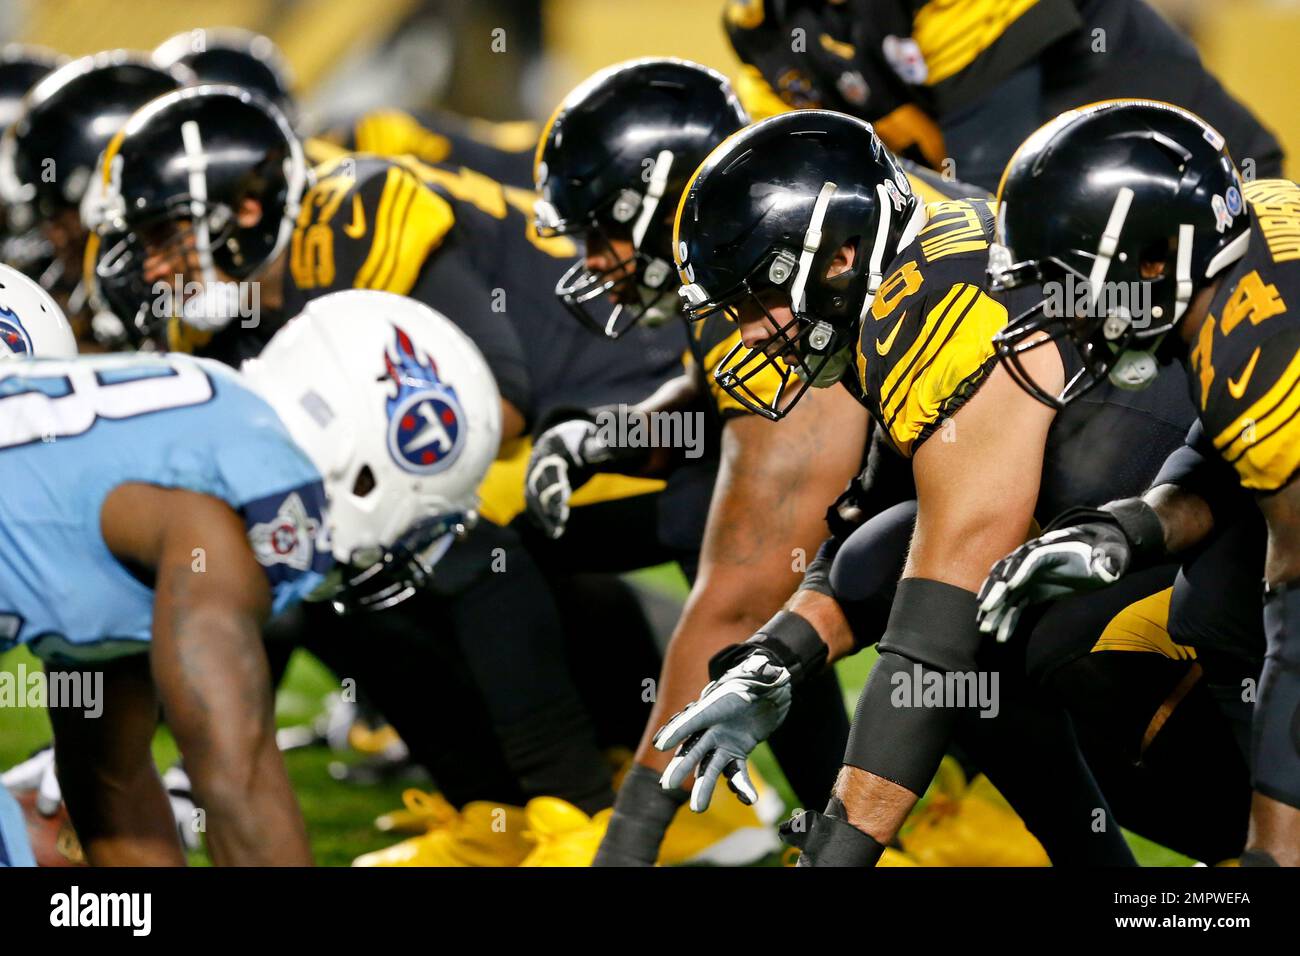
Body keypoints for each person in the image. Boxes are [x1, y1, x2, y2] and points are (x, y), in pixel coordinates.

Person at [657, 108, 1234, 866]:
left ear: (838, 254)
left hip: (1242, 522)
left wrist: (835, 850)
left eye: (752, 302)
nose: (749, 334)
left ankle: (1242, 852)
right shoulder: (891, 282)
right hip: (1159, 511)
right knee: (967, 616)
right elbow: (874, 540)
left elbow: (931, 640)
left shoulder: (937, 315)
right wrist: (775, 656)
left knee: (1033, 644)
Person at [0, 288, 500, 865]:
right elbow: (239, 789)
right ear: (365, 460)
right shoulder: (236, 498)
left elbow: (111, 781)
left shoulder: (175, 450)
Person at [975, 99, 1300, 866]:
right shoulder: (1241, 240)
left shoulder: (1270, 344)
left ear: (1154, 261)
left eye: (1071, 284)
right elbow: (1226, 437)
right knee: (1211, 602)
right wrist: (1129, 528)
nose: (1061, 314)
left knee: (1225, 613)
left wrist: (1276, 849)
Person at [725, 0, 1283, 190]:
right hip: (1052, 221)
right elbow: (786, 171)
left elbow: (986, 208)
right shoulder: (763, 23)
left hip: (1197, 198)